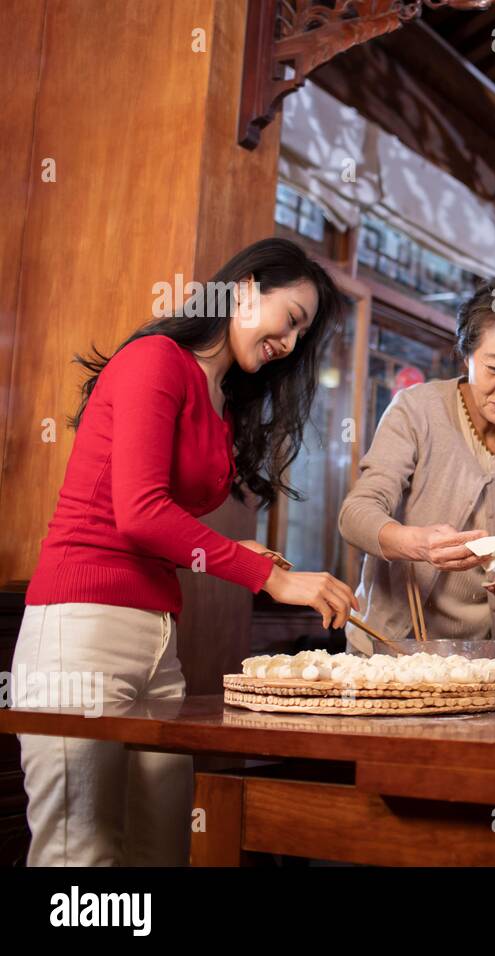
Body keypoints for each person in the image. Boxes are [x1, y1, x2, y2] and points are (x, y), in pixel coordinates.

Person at [16, 237, 358, 865]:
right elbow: (140, 514)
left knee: (161, 849)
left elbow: (157, 523)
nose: (290, 343)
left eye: (302, 336)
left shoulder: (221, 400)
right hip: (81, 625)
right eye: (292, 320)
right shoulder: (157, 360)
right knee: (79, 853)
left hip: (155, 634)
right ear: (247, 288)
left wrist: (239, 549)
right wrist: (265, 575)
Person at [339, 276, 495, 651]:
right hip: (387, 648)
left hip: (479, 654)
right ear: (467, 355)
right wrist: (415, 544)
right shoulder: (417, 410)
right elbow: (355, 514)